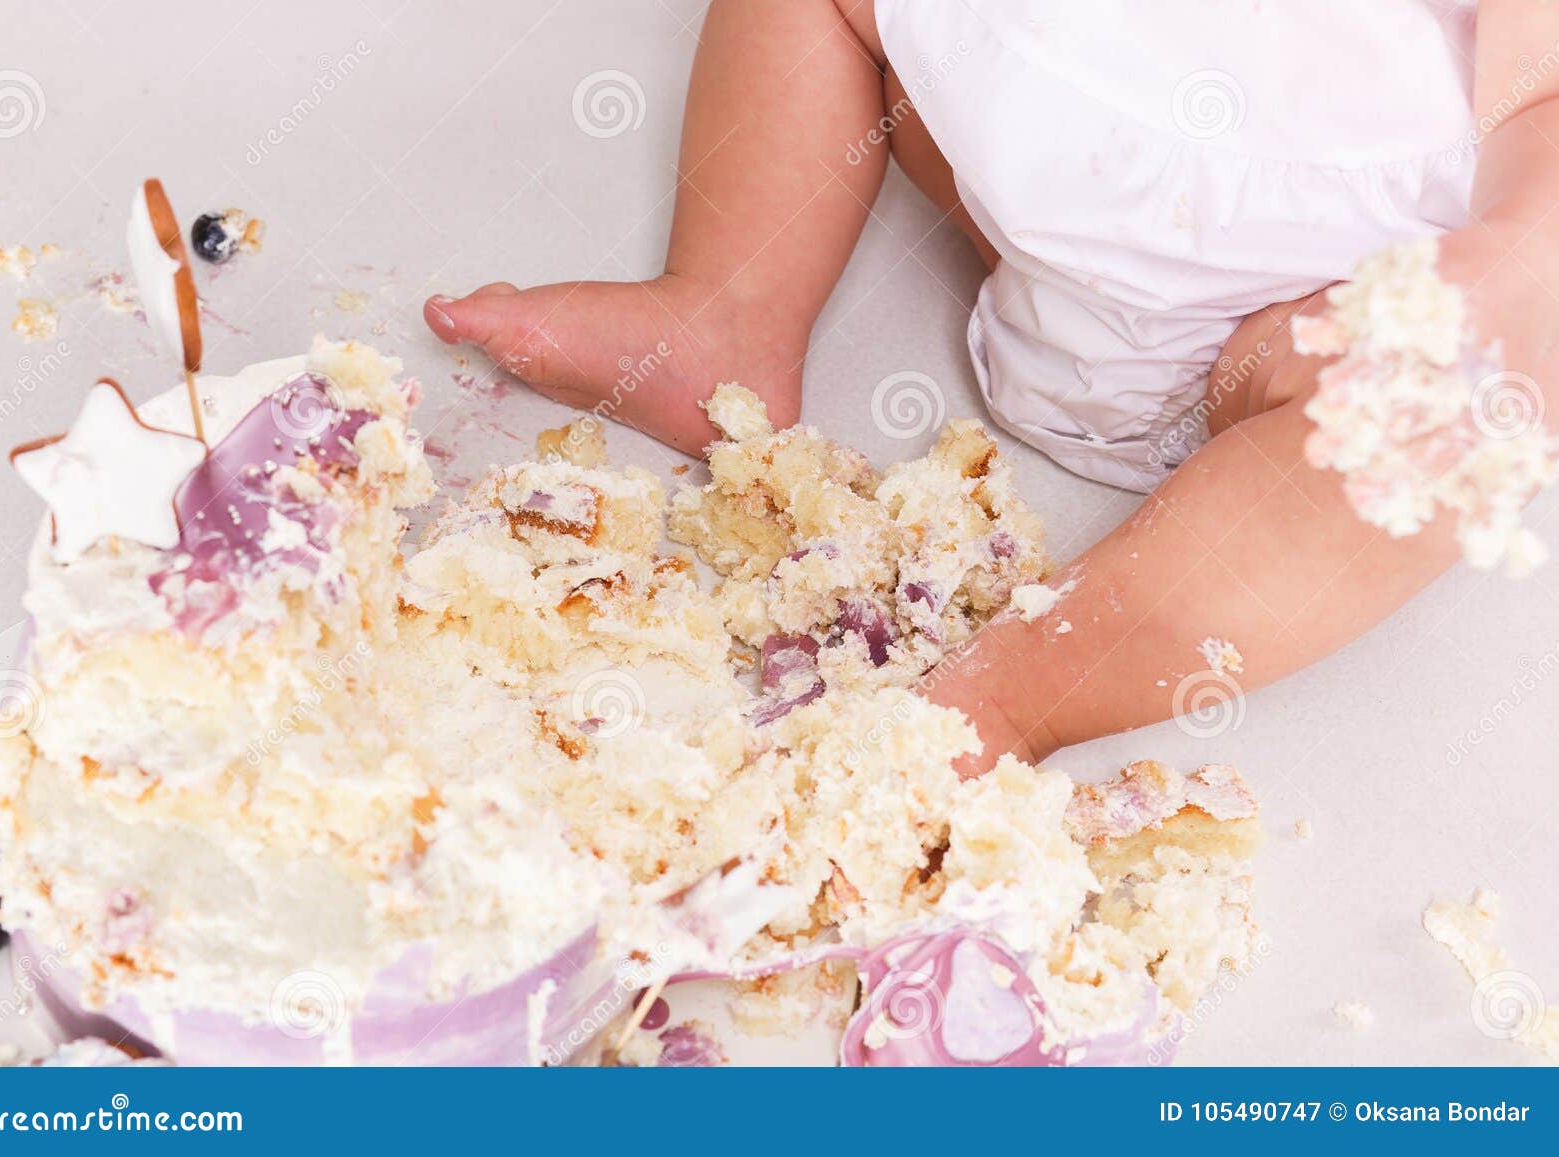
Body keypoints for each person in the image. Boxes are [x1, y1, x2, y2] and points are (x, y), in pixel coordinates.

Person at [424, 0, 1559, 773]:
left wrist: (1516, 252)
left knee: (1434, 413)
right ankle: (724, 306)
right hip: (1042, 115)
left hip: (1323, 271)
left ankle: (1019, 690)